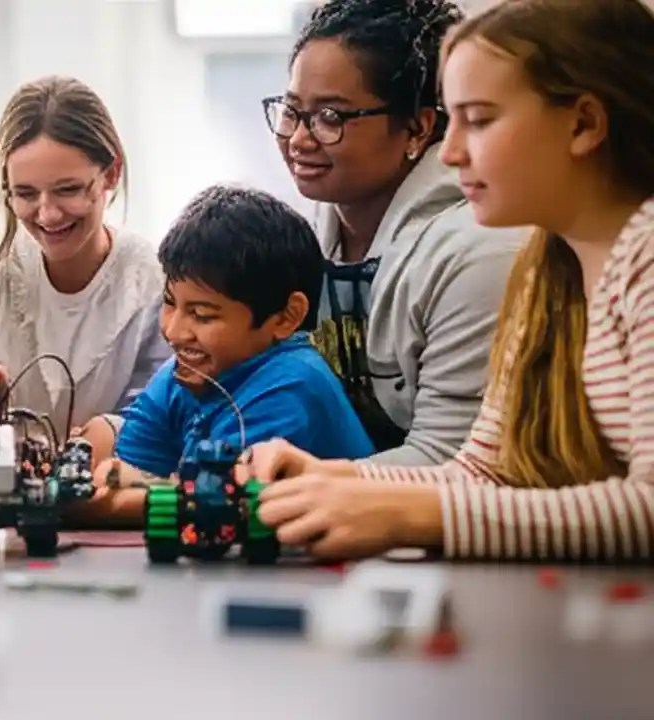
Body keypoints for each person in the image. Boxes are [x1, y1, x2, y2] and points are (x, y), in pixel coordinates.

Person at [243, 0, 654, 562]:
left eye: (479, 120)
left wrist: (405, 513)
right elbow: (481, 468)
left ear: (583, 124)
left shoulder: (645, 255)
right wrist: (329, 481)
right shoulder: (548, 270)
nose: (452, 152)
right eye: (452, 119)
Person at [265, 0, 524, 464]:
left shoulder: (481, 252)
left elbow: (450, 459)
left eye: (331, 118)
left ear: (417, 129)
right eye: (292, 111)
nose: (299, 139)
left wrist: (281, 489)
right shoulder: (300, 238)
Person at [0, 76, 168, 439]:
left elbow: (162, 414)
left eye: (67, 189)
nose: (48, 214)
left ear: (111, 173)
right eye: (25, 194)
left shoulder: (152, 281)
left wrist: (113, 433)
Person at [102, 186, 373, 487]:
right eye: (169, 303)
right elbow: (125, 467)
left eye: (202, 315)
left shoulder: (291, 387)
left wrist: (118, 491)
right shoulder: (187, 371)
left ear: (286, 316)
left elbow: (220, 504)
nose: (174, 332)